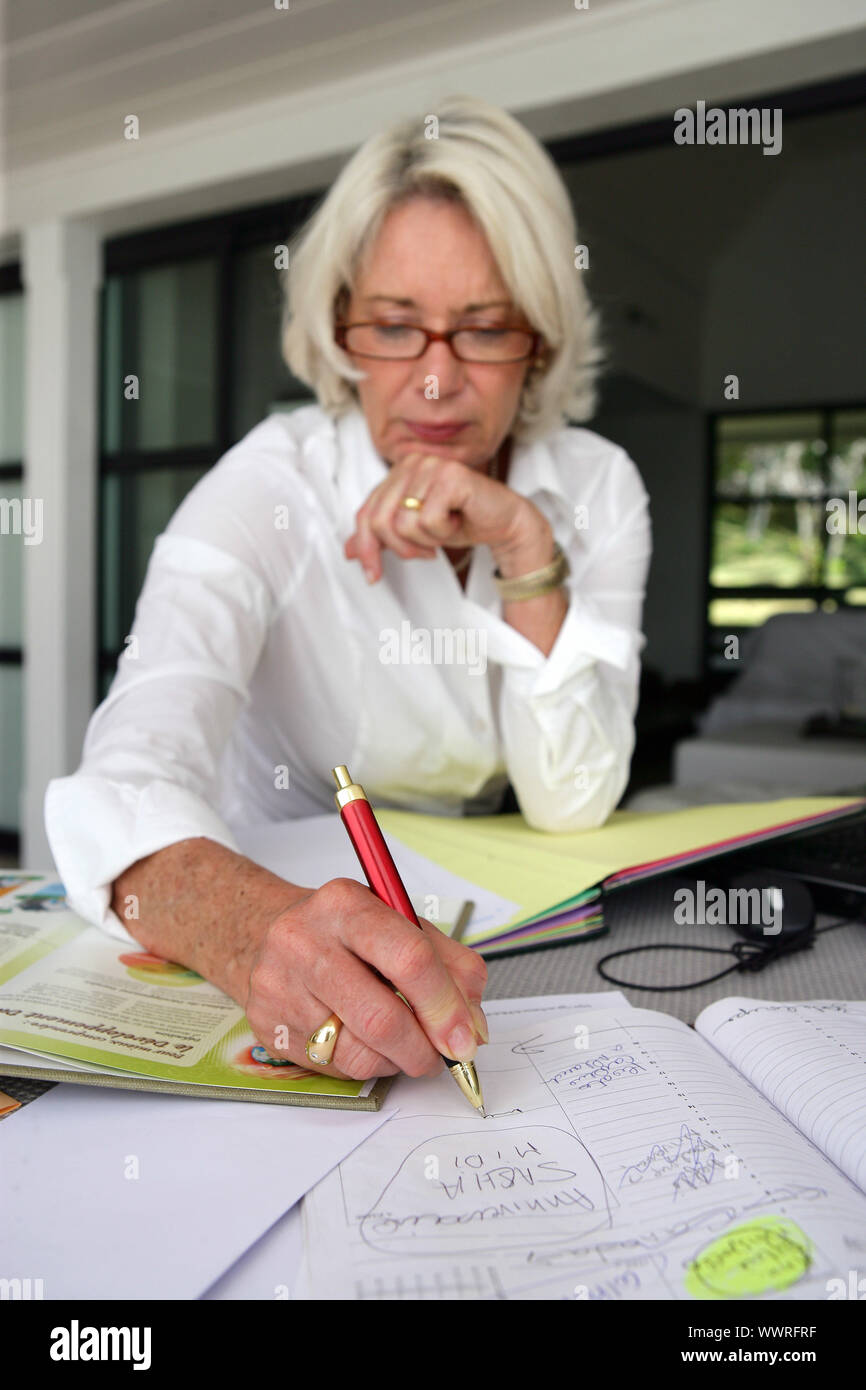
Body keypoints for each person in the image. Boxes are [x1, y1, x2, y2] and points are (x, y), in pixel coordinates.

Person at [44, 94, 651, 1087]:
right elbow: (123, 778)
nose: (435, 382)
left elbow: (572, 802)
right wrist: (254, 932)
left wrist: (524, 544)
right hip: (288, 919)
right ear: (339, 333)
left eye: (485, 329)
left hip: (500, 929)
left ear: (538, 340)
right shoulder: (264, 487)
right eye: (395, 328)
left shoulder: (595, 486)